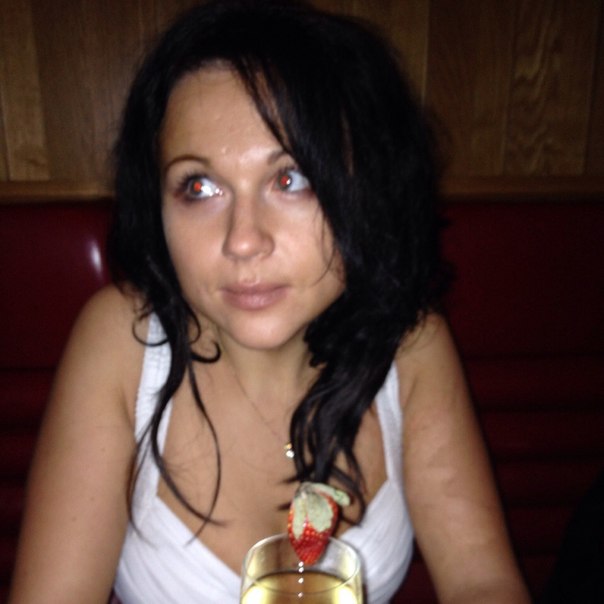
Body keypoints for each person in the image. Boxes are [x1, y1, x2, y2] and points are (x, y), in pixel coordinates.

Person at [8, 1, 530, 602]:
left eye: (290, 179)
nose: (243, 240)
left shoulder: (412, 345)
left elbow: (482, 581)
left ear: (363, 189)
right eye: (199, 187)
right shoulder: (121, 342)